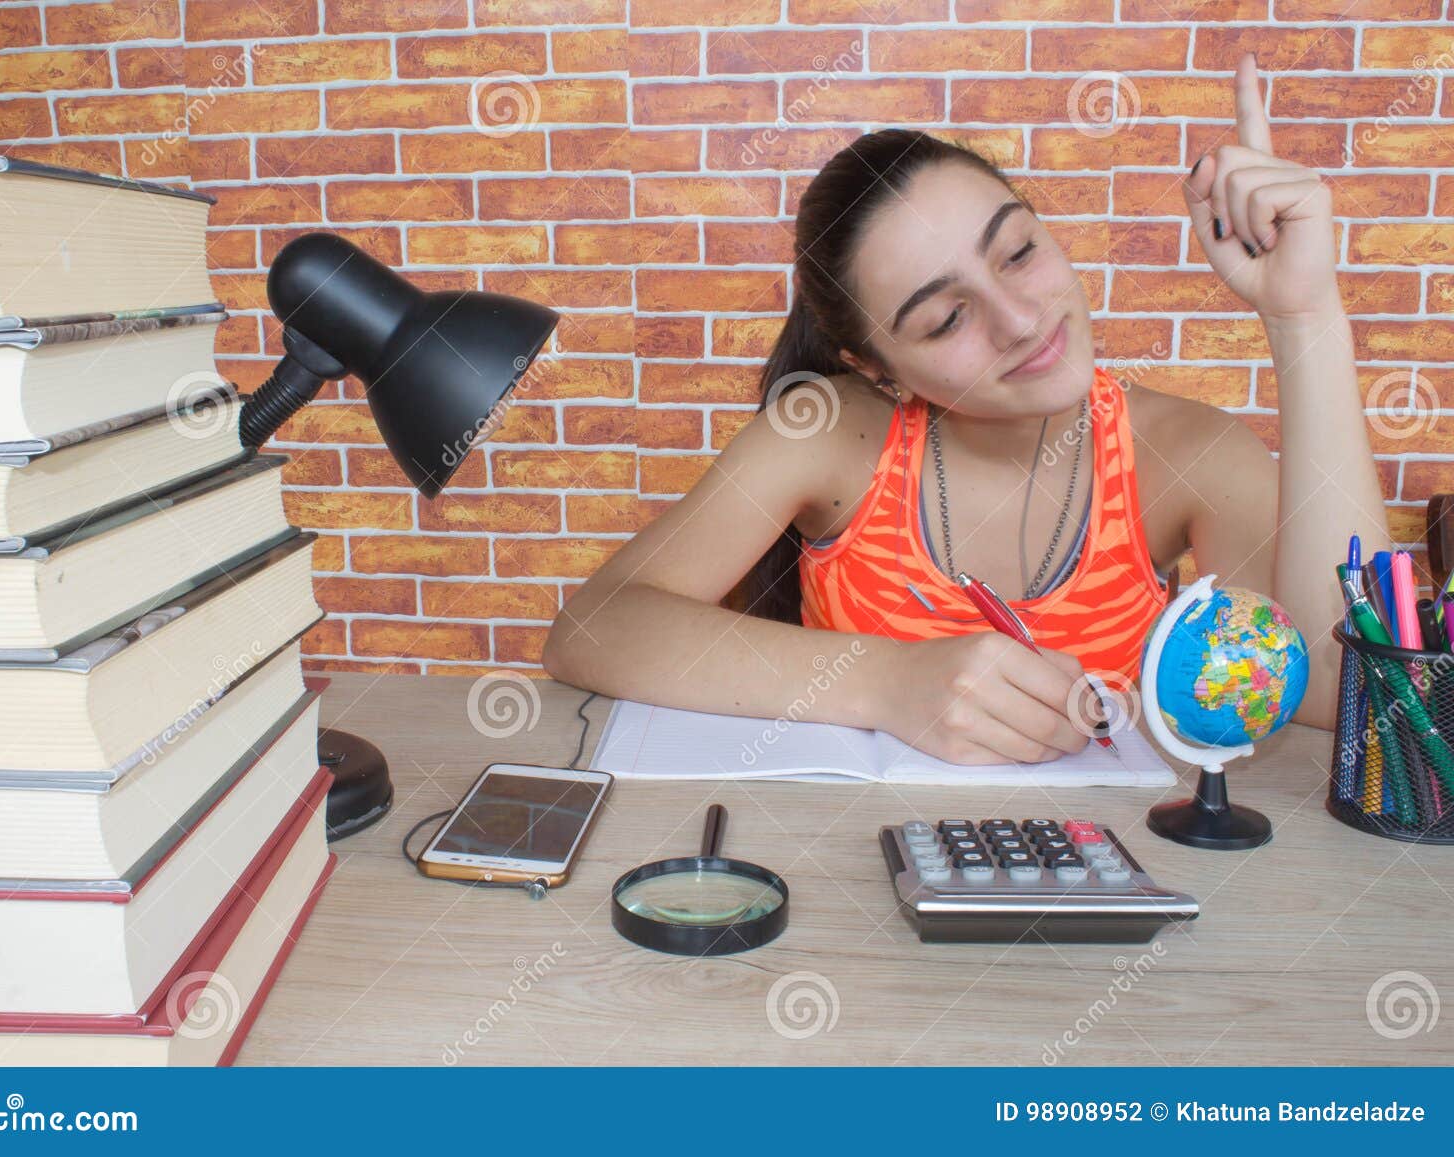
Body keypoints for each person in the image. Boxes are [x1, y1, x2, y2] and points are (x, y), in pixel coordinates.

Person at [542, 52, 1389, 765]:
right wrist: (889, 682)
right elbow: (595, 627)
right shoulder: (827, 431)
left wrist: (1304, 316)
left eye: (1018, 252)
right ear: (878, 370)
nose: (1020, 321)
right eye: (946, 319)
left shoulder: (1187, 450)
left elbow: (1348, 696)